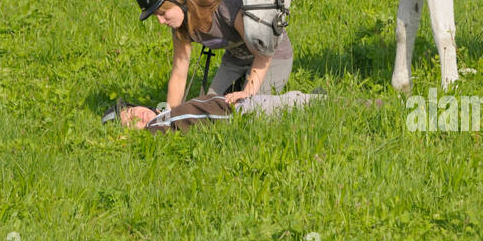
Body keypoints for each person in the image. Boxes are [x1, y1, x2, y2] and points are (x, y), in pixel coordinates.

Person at [133, 0, 293, 109]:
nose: (161, 21)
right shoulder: (179, 28)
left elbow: (263, 54)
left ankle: (304, 101)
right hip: (236, 60)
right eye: (156, 16)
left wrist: (248, 91)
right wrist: (170, 116)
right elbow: (179, 75)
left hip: (272, 55)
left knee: (248, 107)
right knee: (210, 107)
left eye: (162, 13)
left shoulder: (226, 8)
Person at [108, 90, 326, 134]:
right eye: (133, 121)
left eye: (135, 110)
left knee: (295, 101)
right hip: (241, 115)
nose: (140, 116)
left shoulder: (164, 113)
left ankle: (325, 100)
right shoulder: (157, 127)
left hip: (240, 105)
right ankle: (343, 104)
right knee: (295, 103)